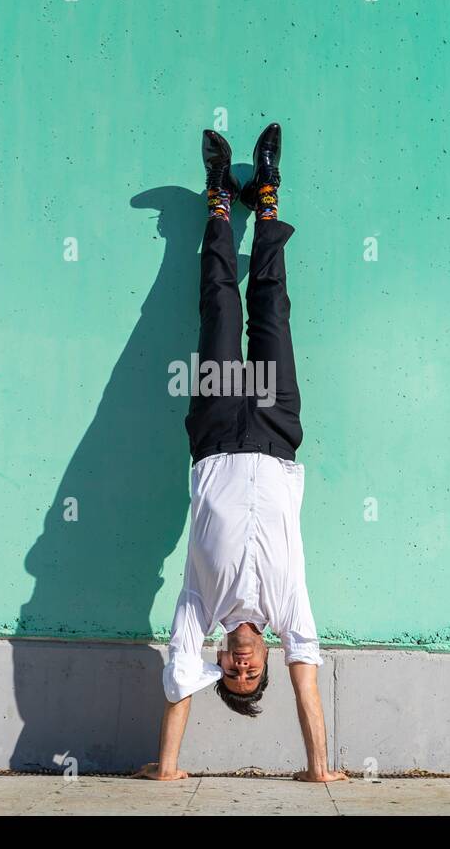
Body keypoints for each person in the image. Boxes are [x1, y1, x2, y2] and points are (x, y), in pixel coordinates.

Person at [135, 124, 345, 783]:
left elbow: (176, 679)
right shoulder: (290, 609)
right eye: (253, 676)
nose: (243, 667)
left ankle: (222, 200)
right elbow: (308, 680)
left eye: (232, 674)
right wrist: (319, 767)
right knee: (273, 311)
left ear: (220, 662)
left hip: (220, 431)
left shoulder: (199, 603)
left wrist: (168, 768)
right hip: (277, 432)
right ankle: (269, 197)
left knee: (220, 309)